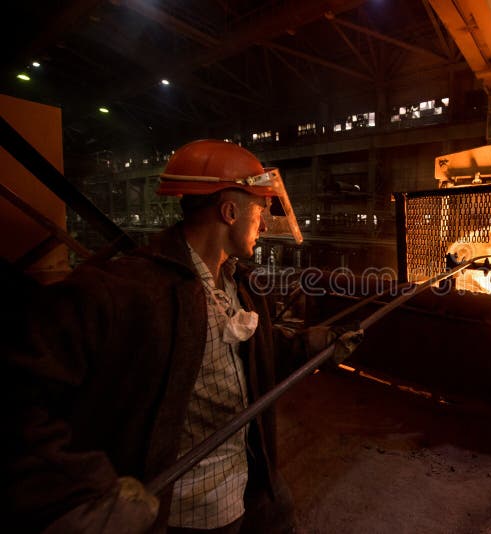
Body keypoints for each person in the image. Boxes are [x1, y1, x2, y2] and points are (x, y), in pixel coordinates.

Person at [2, 139, 329, 533]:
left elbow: (259, 355)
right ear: (229, 212)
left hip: (248, 484)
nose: (262, 222)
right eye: (259, 209)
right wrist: (79, 491)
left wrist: (316, 345)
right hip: (181, 513)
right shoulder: (125, 292)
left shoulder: (242, 285)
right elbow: (16, 395)